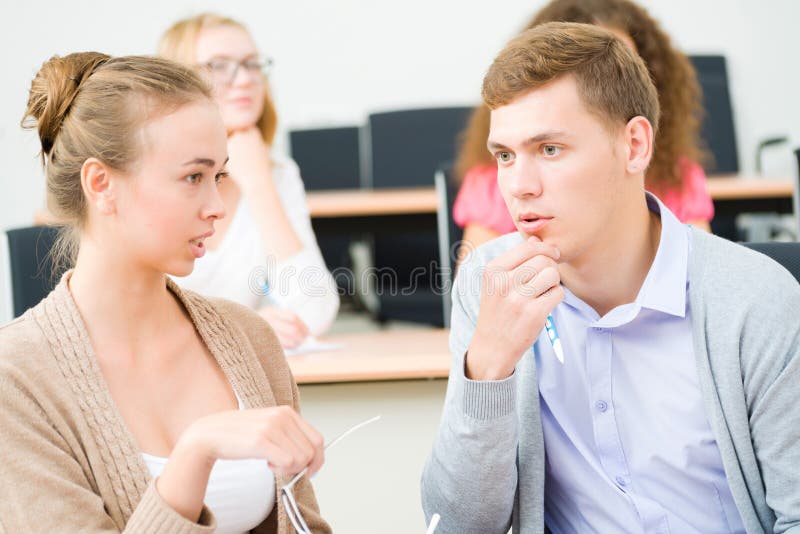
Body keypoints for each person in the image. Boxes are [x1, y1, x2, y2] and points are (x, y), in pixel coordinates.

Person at [421, 22, 800, 533]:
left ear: (635, 146)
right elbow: (457, 525)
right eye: (505, 156)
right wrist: (487, 367)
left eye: (550, 149)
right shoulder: (491, 286)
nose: (519, 186)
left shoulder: (755, 301)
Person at [1, 52, 331, 533]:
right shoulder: (17, 379)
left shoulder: (249, 339)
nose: (217, 206)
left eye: (219, 176)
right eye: (193, 177)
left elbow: (306, 524)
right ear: (101, 184)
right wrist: (195, 453)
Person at [453, 0, 713, 261]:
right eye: (506, 156)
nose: (521, 187)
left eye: (617, 69)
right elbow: (476, 280)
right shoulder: (501, 184)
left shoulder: (676, 176)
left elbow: (706, 278)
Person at [159, 13, 339, 349]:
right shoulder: (153, 180)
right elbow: (141, 321)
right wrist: (243, 325)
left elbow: (316, 312)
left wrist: (258, 184)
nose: (244, 80)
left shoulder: (278, 174)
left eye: (252, 64)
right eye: (218, 66)